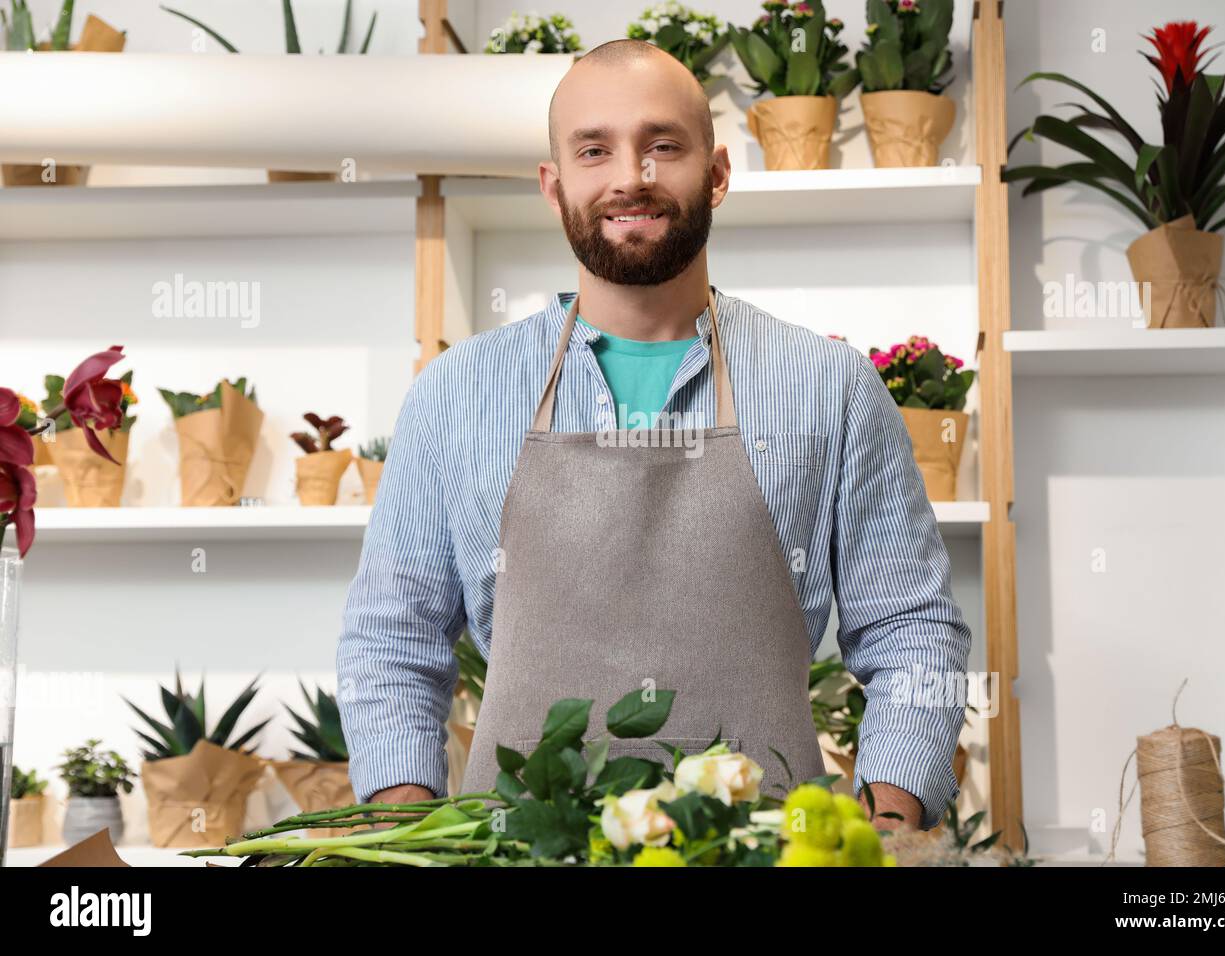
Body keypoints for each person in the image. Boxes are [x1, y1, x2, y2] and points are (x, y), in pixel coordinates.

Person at [336, 38, 972, 832]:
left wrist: (890, 820)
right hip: (517, 854)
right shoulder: (454, 397)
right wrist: (407, 828)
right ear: (554, 184)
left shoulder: (832, 389)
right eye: (594, 149)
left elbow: (912, 627)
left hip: (765, 853)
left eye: (662, 145)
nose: (629, 177)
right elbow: (391, 640)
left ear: (717, 174)